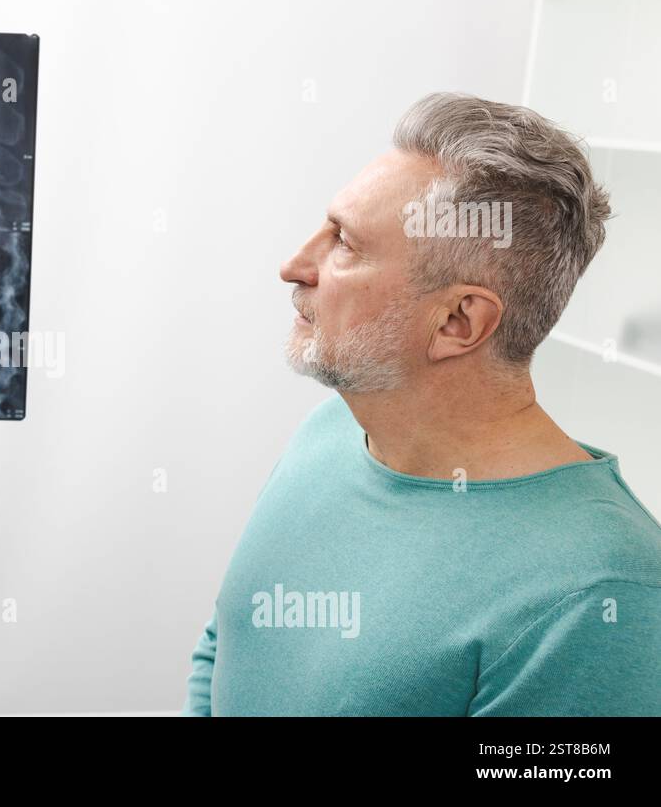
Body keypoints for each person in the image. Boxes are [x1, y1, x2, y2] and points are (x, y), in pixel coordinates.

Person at [182, 93, 661, 716]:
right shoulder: (331, 432)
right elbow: (226, 647)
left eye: (344, 244)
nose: (295, 266)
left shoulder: (600, 596)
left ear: (458, 321)